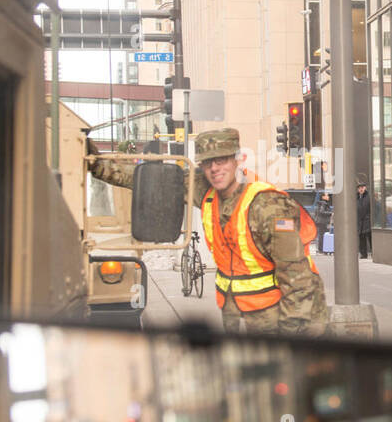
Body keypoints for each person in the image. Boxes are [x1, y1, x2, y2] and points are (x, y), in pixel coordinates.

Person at [89, 127, 328, 335]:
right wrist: (95, 163)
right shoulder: (206, 188)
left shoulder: (268, 207)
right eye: (207, 162)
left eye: (222, 160)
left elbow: (299, 283)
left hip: (283, 318)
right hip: (240, 313)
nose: (215, 169)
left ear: (239, 159)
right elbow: (147, 179)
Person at [356, 178, 373, 259]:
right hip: (360, 222)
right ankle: (363, 254)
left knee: (370, 237)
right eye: (359, 188)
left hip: (368, 220)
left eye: (362, 187)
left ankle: (374, 252)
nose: (361, 189)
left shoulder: (369, 196)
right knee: (361, 238)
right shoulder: (356, 197)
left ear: (365, 188)